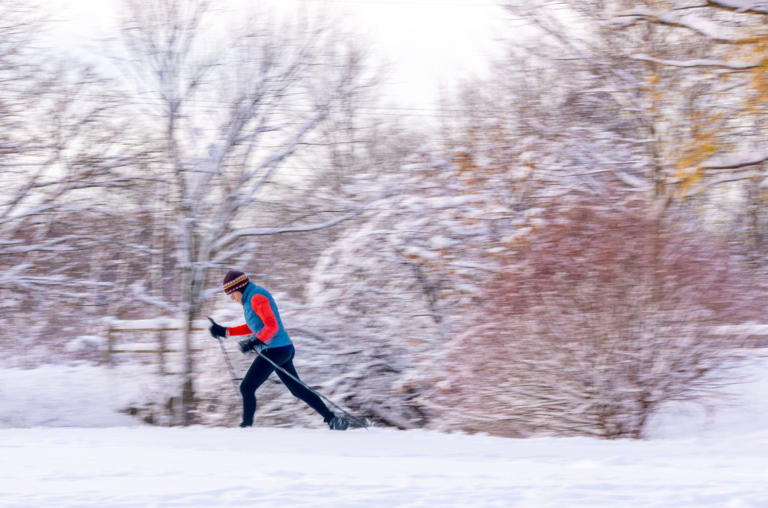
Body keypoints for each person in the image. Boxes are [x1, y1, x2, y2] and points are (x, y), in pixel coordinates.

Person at [208, 270, 348, 430]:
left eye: (232, 294)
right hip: (281, 350)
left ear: (239, 287)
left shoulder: (257, 297)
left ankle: (246, 428)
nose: (232, 298)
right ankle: (333, 420)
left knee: (246, 387)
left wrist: (255, 341)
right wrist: (225, 331)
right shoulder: (249, 299)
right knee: (297, 389)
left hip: (275, 350)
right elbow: (254, 326)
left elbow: (271, 326)